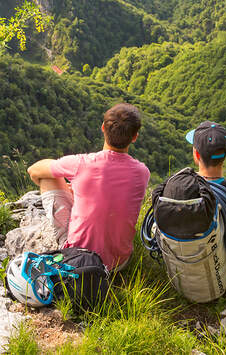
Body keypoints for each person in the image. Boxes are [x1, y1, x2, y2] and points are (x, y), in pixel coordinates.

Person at [26, 103, 150, 271]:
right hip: (120, 262)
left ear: (103, 128)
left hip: (78, 258)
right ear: (135, 136)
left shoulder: (81, 164)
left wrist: (72, 188)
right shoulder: (142, 172)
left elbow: (33, 171)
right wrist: (80, 191)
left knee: (48, 178)